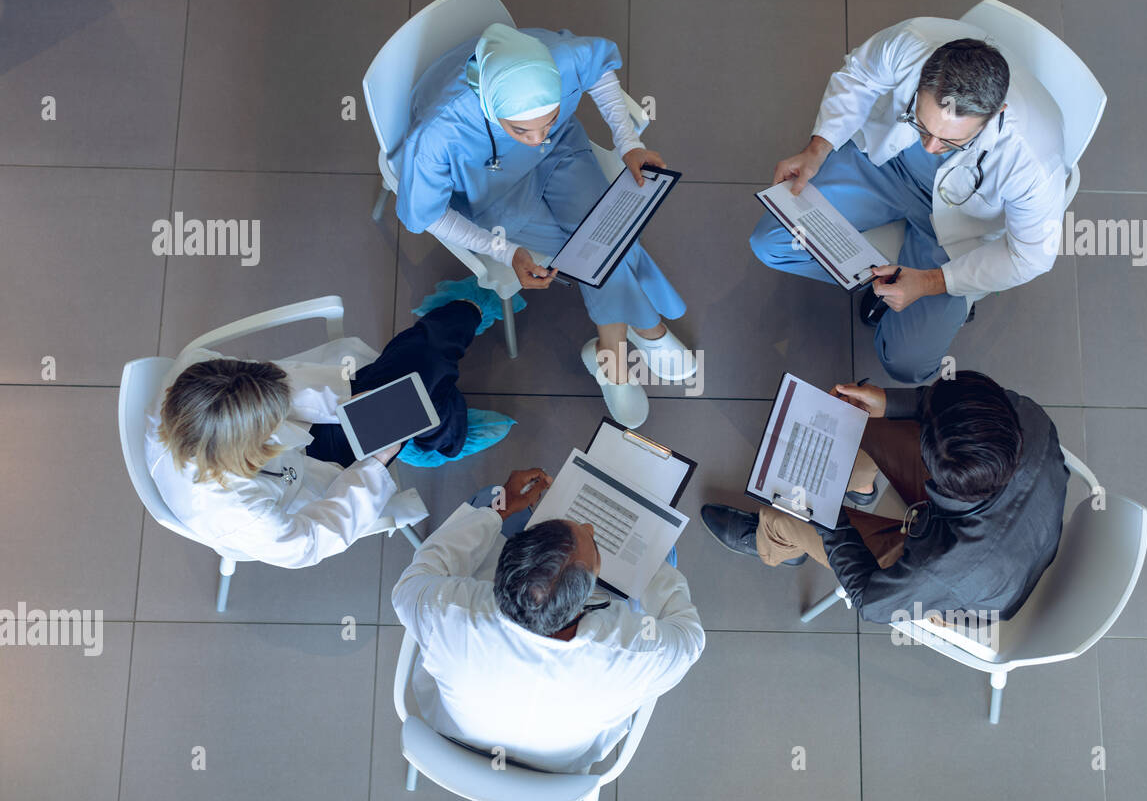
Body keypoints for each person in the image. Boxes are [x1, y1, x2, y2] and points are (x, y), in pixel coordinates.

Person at [394, 21, 696, 428]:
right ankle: (642, 333)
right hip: (493, 189)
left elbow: (599, 72)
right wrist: (505, 251)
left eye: (547, 120)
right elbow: (428, 215)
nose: (536, 138)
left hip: (564, 151)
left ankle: (615, 352)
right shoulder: (439, 133)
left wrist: (629, 143)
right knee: (596, 250)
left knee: (605, 237)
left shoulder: (562, 59)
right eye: (520, 129)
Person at [751, 19, 1067, 384]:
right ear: (922, 81)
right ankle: (875, 281)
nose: (930, 147)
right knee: (772, 242)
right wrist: (817, 149)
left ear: (995, 116)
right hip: (886, 167)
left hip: (958, 225)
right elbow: (858, 77)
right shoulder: (910, 44)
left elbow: (1031, 255)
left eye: (951, 143)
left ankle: (919, 290)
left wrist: (932, 282)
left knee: (908, 365)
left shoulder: (1033, 159)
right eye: (922, 125)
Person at [145, 281, 513, 569]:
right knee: (423, 395)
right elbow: (312, 539)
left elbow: (284, 387)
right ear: (245, 447)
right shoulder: (242, 514)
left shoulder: (192, 377)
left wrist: (348, 404)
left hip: (298, 437)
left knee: (411, 383)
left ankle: (445, 414)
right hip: (309, 482)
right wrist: (376, 464)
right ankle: (445, 431)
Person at [392, 467, 704, 774]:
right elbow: (690, 638)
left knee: (488, 497)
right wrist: (649, 562)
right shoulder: (633, 655)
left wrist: (498, 511)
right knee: (670, 553)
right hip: (558, 769)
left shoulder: (446, 612)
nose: (591, 529)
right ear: (588, 596)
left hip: (456, 741)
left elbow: (410, 584)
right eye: (593, 546)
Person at [700, 371, 1068, 625]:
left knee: (785, 515)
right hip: (1002, 526)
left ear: (932, 469)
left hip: (967, 584)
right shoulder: (1025, 416)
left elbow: (870, 600)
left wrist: (828, 516)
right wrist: (890, 403)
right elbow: (941, 401)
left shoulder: (940, 569)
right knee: (857, 415)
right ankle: (861, 485)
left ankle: (776, 541)